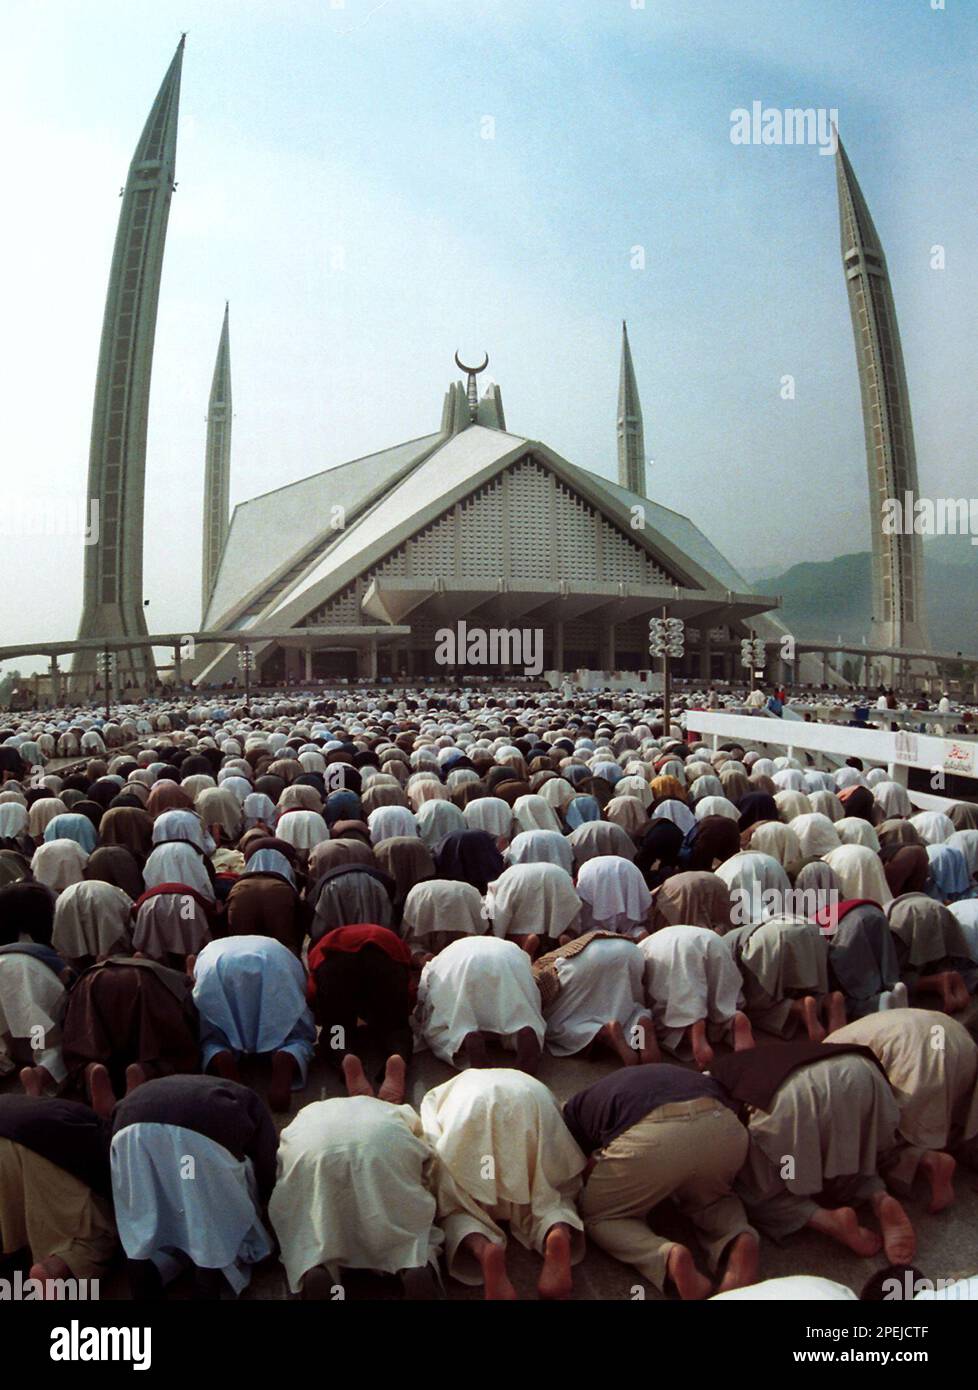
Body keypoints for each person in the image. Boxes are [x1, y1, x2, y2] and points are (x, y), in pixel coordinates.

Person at [564, 1064, 759, 1299]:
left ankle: (666, 1256)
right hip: (722, 1125)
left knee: (601, 1217)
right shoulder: (669, 1073)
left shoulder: (573, 1113)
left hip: (654, 1138)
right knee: (713, 1198)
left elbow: (579, 1166)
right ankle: (737, 1238)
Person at [710, 1042, 915, 1264]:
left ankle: (825, 1219)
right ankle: (878, 1196)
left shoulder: (711, 1081)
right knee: (851, 1157)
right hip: (858, 1071)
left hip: (791, 1097)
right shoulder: (764, 1054)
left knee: (759, 1192)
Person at [268, 1054, 442, 1300]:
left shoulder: (311, 1110)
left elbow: (284, 1157)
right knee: (407, 1224)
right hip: (380, 1148)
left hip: (315, 1151)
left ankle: (316, 1267)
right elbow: (425, 1155)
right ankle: (413, 1264)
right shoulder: (397, 1112)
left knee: (311, 1223)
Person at [420, 1068, 585, 1300]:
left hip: (470, 1114)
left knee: (457, 1207)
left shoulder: (436, 1095)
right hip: (531, 1101)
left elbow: (431, 1143)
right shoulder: (523, 1078)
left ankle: (483, 1247)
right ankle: (556, 1230)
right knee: (548, 1192)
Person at [110, 1074, 276, 1299]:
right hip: (204, 1125)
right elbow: (267, 1163)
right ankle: (209, 1268)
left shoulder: (206, 1089)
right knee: (205, 1199)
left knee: (147, 1200)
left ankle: (144, 1264)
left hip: (128, 1123)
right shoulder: (248, 1101)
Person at [0, 1094, 116, 1297]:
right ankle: (61, 1267)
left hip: (16, 1138)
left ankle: (51, 1269)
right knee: (94, 1233)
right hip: (33, 1141)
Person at [190, 935, 316, 1112]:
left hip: (217, 966)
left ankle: (220, 1054)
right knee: (297, 1035)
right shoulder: (275, 944)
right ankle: (288, 1054)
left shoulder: (208, 948)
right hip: (273, 963)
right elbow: (300, 984)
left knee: (213, 1035)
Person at [414, 935, 545, 1073]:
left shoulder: (434, 964)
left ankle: (464, 1038)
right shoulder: (504, 944)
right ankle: (521, 1034)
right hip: (510, 958)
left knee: (438, 1028)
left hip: (460, 967)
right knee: (517, 1017)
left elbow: (425, 1000)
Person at [306, 923, 414, 1078]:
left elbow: (312, 993)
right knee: (395, 1026)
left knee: (338, 1027)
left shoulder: (323, 945)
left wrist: (326, 1015)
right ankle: (399, 1055)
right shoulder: (389, 937)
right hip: (384, 955)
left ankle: (343, 1055)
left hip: (335, 962)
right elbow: (408, 990)